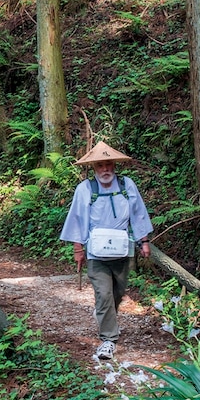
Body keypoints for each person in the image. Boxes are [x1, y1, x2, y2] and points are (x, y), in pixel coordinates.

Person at [60, 141, 153, 360]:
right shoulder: (85, 189)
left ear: (114, 165)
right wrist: (78, 249)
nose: (105, 169)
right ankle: (108, 340)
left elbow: (138, 213)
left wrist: (144, 240)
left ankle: (104, 314)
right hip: (96, 254)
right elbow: (77, 219)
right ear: (93, 168)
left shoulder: (127, 185)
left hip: (121, 251)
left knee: (117, 293)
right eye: (100, 165)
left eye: (108, 164)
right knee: (103, 294)